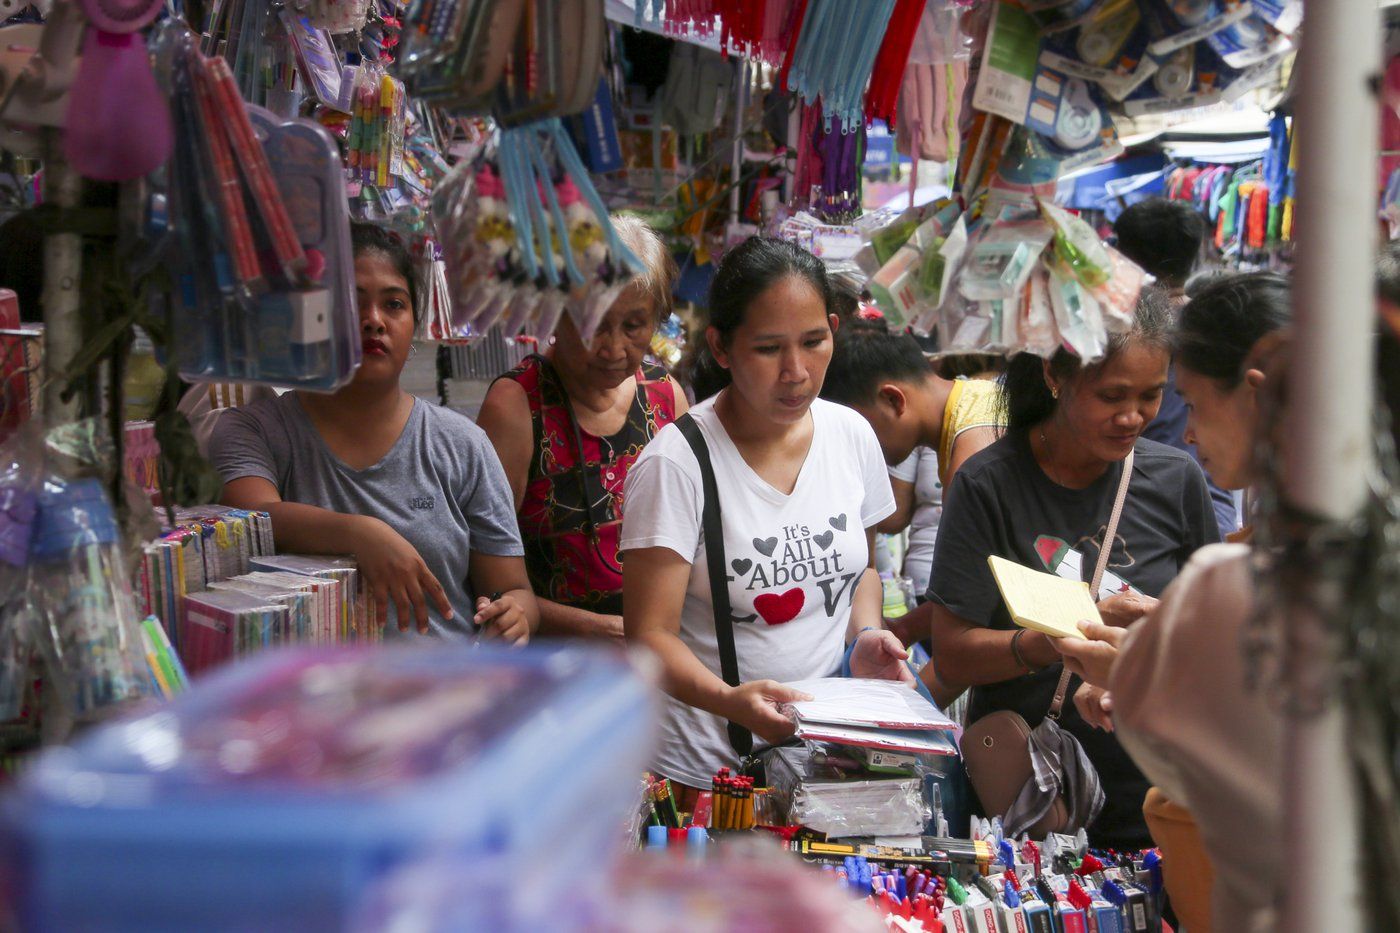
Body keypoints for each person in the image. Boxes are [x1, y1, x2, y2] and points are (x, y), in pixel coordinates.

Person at [924, 287, 1220, 849]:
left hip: (1153, 790)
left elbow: (1210, 637)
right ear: (1056, 377)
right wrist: (1070, 634)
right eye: (1111, 395)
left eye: (1152, 395)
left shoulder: (1176, 479)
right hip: (1033, 797)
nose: (1132, 416)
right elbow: (955, 651)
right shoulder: (988, 484)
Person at [620, 237, 917, 791]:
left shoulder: (851, 435)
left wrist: (868, 636)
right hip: (707, 774)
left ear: (834, 328)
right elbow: (650, 637)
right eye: (768, 349)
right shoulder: (677, 464)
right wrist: (729, 701)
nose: (796, 371)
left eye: (813, 342)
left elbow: (862, 572)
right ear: (722, 348)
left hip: (827, 760)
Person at [1054, 271, 1292, 932]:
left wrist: (1134, 675)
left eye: (1184, 401)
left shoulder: (1239, 570)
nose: (1184, 434)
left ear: (1255, 396)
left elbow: (1217, 763)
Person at [211, 223, 538, 642]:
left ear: (413, 322)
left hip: (446, 691)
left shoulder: (464, 446)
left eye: (394, 304)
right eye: (351, 304)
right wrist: (361, 535)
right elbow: (252, 518)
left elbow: (513, 590)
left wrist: (515, 617)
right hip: (315, 696)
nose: (374, 321)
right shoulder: (255, 430)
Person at [476, 216, 688, 641]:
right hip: (557, 670)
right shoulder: (516, 407)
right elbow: (491, 579)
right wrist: (611, 630)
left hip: (658, 657)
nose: (613, 348)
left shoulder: (666, 395)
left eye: (633, 325)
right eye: (592, 324)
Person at [819, 321, 1003, 641]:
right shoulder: (977, 402)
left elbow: (979, 599)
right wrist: (903, 630)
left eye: (858, 430)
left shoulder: (971, 454)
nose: (857, 446)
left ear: (893, 400)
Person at [1114, 197, 1238, 538]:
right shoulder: (1219, 328)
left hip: (1139, 515)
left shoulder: (1114, 335)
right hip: (1211, 511)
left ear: (1123, 257)